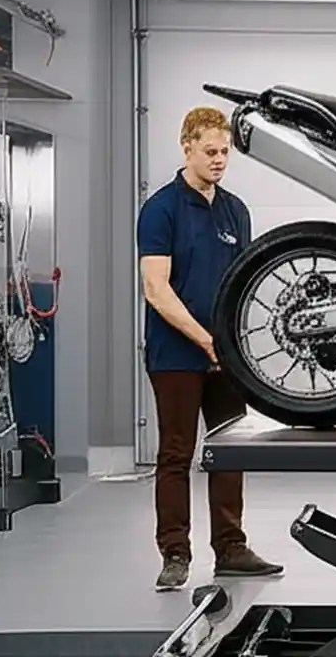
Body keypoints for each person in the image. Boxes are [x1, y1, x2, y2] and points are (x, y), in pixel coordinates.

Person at [137, 106, 284, 591]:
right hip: (176, 355)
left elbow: (242, 284)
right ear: (187, 148)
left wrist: (235, 344)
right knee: (176, 454)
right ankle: (175, 554)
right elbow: (155, 289)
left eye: (224, 152)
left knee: (229, 451)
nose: (219, 159)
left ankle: (231, 549)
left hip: (226, 357)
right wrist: (204, 339)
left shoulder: (235, 210)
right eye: (210, 151)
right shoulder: (161, 209)